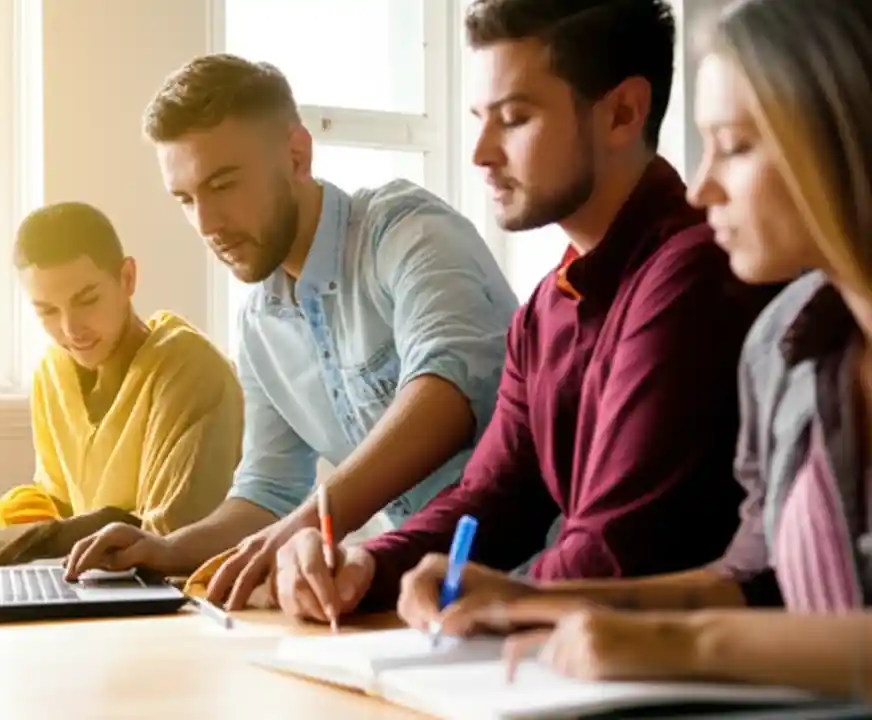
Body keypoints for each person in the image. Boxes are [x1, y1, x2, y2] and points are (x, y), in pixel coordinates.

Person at [386, 0, 872, 699]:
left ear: (847, 135)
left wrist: (675, 641)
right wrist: (516, 601)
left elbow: (640, 565)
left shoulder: (694, 274)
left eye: (734, 148)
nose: (702, 187)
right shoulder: (784, 345)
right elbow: (746, 581)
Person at [275, 0, 778, 624]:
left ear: (623, 113)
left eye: (514, 119)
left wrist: (491, 597)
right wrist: (368, 565)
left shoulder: (694, 271)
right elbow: (491, 500)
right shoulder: (546, 308)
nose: (480, 152)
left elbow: (612, 553)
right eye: (478, 119)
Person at [65, 54, 517, 610]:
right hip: (423, 593)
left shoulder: (406, 232)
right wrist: (166, 549)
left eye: (223, 184)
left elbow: (447, 391)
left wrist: (313, 520)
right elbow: (267, 491)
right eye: (185, 199)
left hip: (540, 573)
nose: (205, 224)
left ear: (298, 155)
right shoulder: (259, 325)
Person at [0, 201, 242, 563]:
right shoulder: (53, 371)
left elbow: (167, 535)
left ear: (127, 278)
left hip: (179, 593)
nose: (70, 329)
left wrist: (7, 545)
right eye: (47, 311)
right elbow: (63, 508)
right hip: (96, 581)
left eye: (87, 300)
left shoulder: (191, 371)